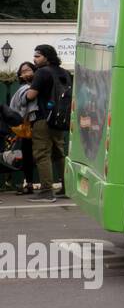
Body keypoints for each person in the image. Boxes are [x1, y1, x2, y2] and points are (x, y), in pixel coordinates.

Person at [24, 44, 70, 201]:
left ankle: (46, 191)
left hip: (43, 118)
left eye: (37, 56)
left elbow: (30, 95)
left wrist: (28, 89)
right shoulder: (64, 72)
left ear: (47, 57)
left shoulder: (42, 72)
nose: (34, 59)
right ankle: (66, 188)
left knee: (42, 154)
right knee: (59, 154)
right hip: (59, 119)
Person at [7, 61, 38, 193]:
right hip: (26, 126)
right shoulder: (23, 89)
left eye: (28, 70)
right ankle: (29, 183)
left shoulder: (37, 86)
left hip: (38, 123)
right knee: (27, 155)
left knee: (42, 155)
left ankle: (44, 184)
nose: (25, 73)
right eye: (22, 71)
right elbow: (19, 106)